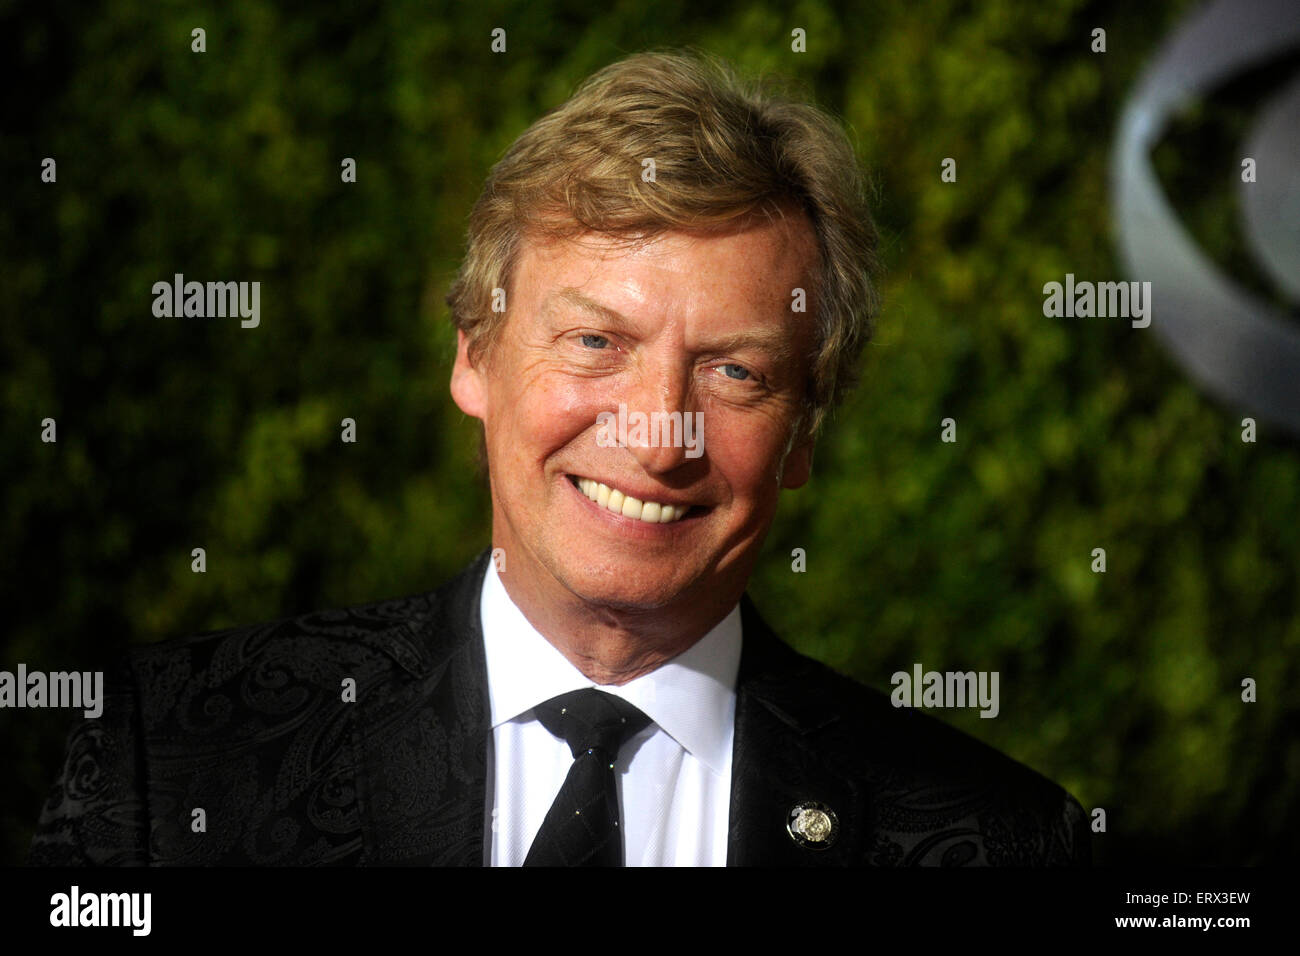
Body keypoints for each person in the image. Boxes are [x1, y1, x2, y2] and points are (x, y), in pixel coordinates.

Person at [30, 49, 1088, 866]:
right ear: (475, 356)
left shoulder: (996, 841)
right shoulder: (173, 763)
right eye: (595, 343)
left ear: (804, 431)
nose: (654, 431)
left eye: (733, 373)